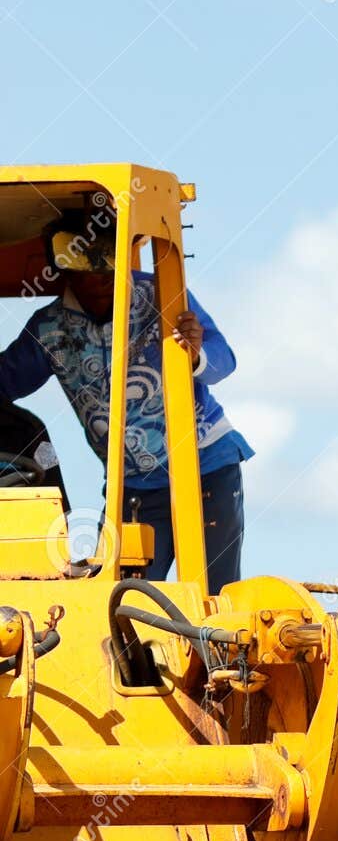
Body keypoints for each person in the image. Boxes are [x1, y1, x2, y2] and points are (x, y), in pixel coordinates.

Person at [0, 209, 253, 589]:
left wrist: (196, 351)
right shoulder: (49, 328)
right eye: (89, 268)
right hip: (131, 488)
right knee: (116, 602)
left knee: (214, 601)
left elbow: (224, 360)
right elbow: (6, 381)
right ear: (65, 270)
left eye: (108, 266)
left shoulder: (161, 296)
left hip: (205, 471)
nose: (102, 279)